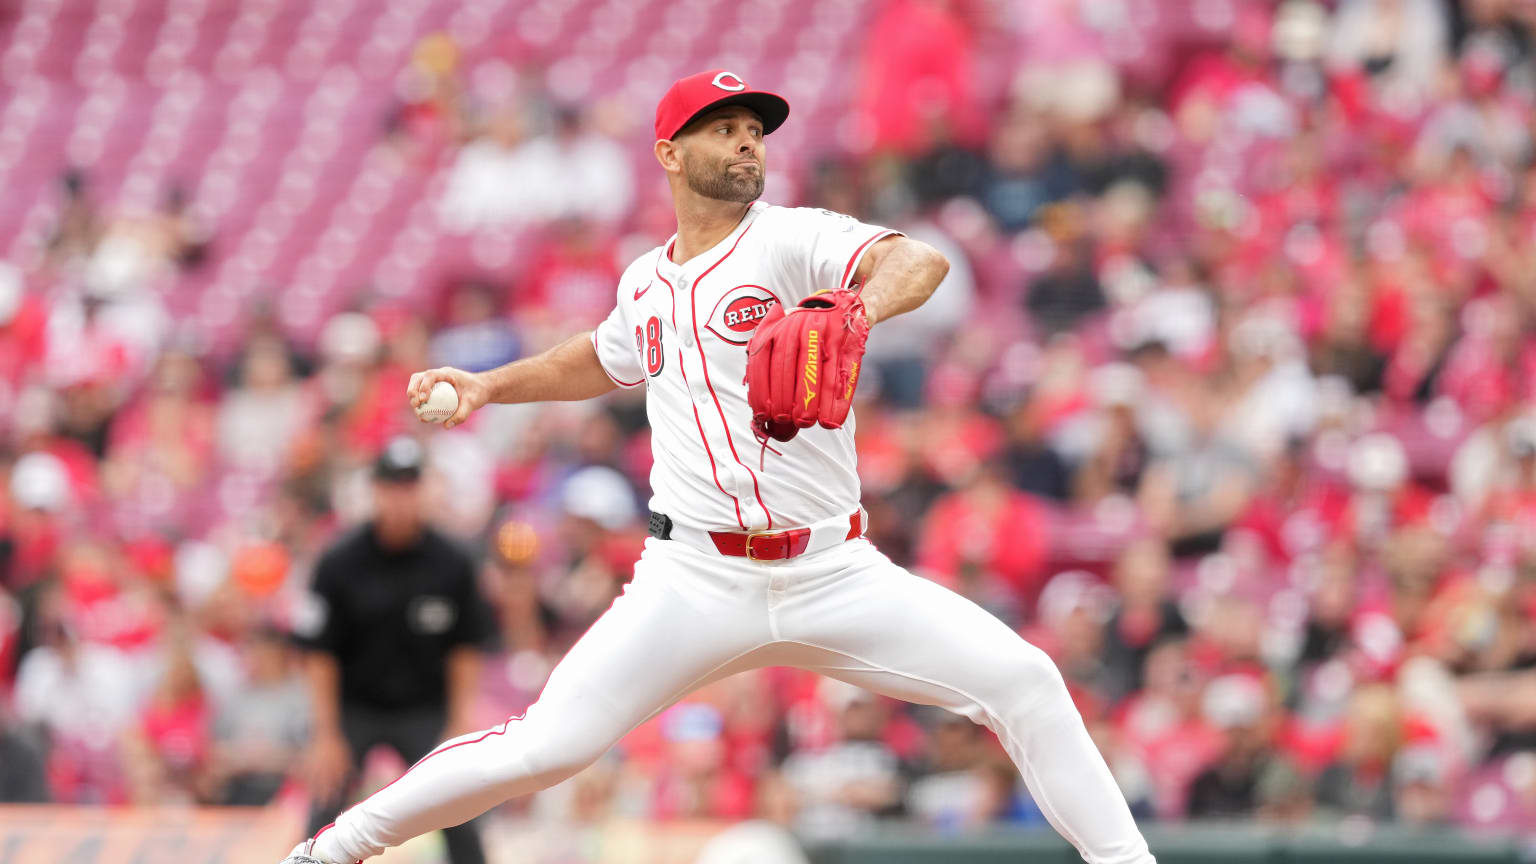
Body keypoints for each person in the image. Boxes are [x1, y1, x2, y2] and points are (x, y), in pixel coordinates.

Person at [284, 69, 1156, 864]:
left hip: (831, 568)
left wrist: (854, 306)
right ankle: (330, 852)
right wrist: (488, 386)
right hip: (692, 575)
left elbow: (917, 261)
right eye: (722, 126)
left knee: (1025, 681)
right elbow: (601, 356)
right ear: (670, 153)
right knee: (546, 747)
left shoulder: (789, 241)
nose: (747, 140)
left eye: (755, 128)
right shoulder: (646, 282)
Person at [295, 437, 494, 864]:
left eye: (409, 486)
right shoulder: (338, 562)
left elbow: (466, 648)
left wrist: (459, 722)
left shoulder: (452, 563)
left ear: (423, 490)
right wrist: (325, 732)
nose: (400, 498)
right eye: (392, 487)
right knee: (325, 806)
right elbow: (319, 652)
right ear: (375, 491)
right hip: (357, 707)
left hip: (425, 708)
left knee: (457, 806)